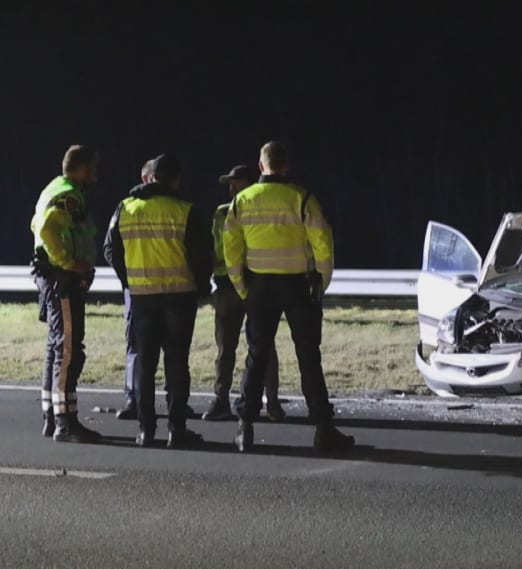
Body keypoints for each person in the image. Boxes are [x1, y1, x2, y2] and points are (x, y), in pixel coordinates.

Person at [223, 141, 353, 452]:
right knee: (309, 356)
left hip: (259, 287)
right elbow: (323, 243)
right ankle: (323, 428)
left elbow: (231, 249)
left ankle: (245, 428)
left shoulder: (242, 200)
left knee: (257, 355)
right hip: (298, 286)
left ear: (261, 166)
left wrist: (242, 287)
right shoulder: (302, 198)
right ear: (287, 166)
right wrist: (321, 283)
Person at [104, 154, 211, 448]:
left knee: (144, 364)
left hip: (142, 298)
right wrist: (202, 287)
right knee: (177, 363)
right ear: (175, 179)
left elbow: (110, 250)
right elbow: (203, 255)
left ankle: (145, 430)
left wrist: (129, 281)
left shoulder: (124, 208)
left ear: (150, 177)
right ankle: (176, 430)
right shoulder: (186, 211)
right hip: (179, 297)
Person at [30, 145, 103, 443]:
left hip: (51, 277)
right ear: (83, 168)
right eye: (93, 169)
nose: (96, 175)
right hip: (63, 280)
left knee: (56, 347)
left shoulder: (53, 188)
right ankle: (65, 422)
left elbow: (35, 223)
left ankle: (51, 416)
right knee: (69, 350)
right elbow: (47, 228)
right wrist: (69, 263)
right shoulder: (70, 194)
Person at [203, 165, 285, 422]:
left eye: (235, 183)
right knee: (229, 347)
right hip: (233, 286)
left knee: (261, 345)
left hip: (250, 285)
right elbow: (215, 248)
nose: (230, 188)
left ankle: (269, 400)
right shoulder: (222, 212)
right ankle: (225, 399)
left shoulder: (244, 211)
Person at [115, 159, 155, 422]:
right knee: (136, 345)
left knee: (162, 349)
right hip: (142, 289)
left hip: (150, 289)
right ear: (145, 178)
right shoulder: (128, 206)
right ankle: (133, 397)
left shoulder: (127, 207)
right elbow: (113, 248)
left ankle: (162, 400)